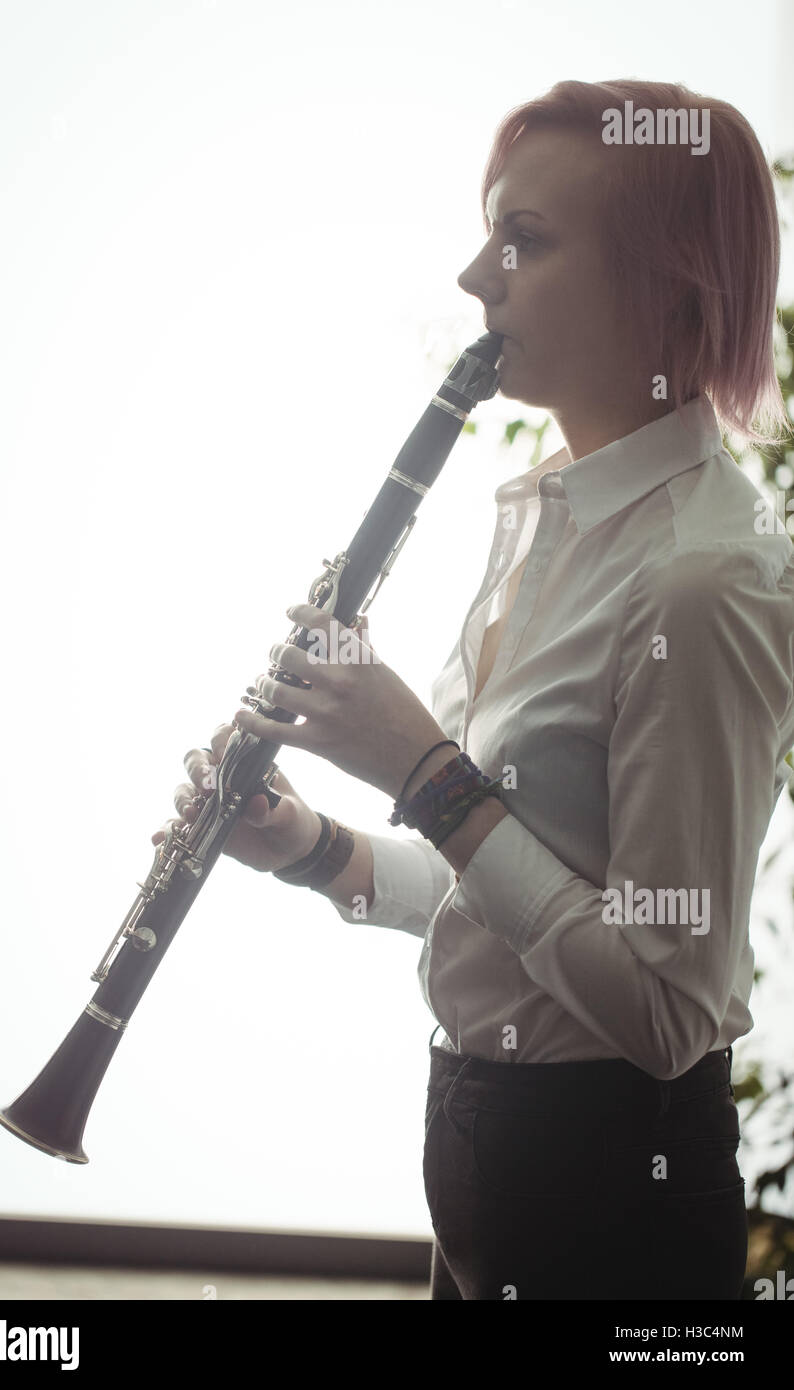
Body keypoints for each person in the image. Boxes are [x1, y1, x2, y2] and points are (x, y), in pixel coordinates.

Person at [154, 79, 794, 1300]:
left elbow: (663, 1008)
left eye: (524, 240)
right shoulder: (544, 525)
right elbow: (503, 901)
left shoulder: (700, 585)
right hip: (482, 1171)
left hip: (615, 1207)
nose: (473, 278)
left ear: (666, 276)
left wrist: (420, 768)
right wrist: (306, 845)